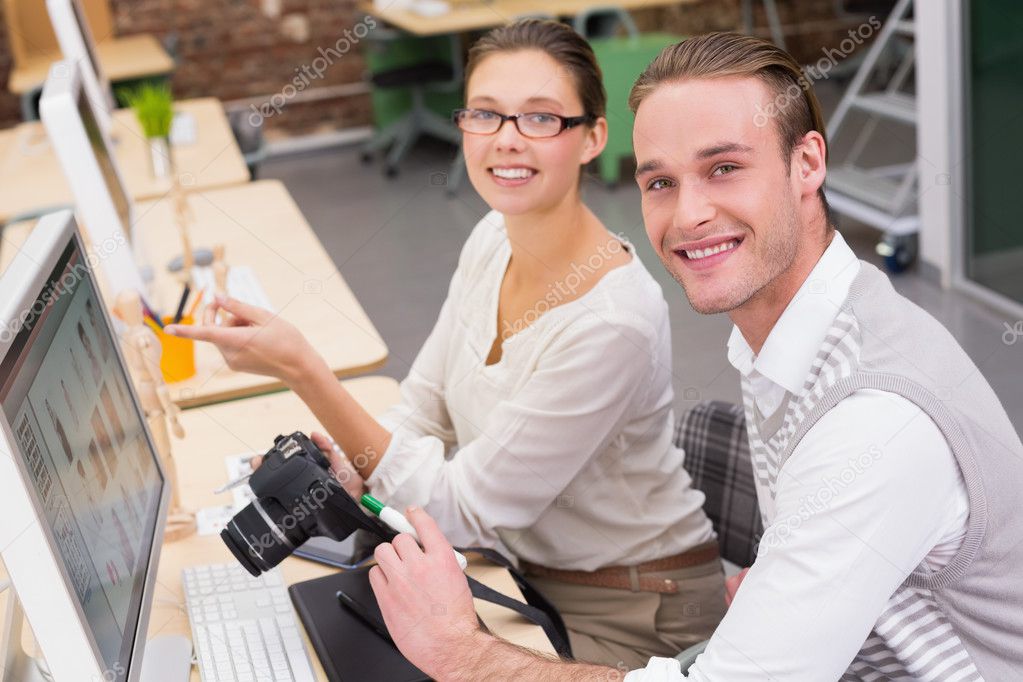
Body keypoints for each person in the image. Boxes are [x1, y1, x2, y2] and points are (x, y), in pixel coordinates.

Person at [362, 32, 1023, 680]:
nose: (689, 214)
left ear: (807, 163)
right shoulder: (800, 333)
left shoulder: (873, 423)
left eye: (724, 168)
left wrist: (463, 656)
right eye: (659, 183)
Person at [166, 20, 726, 667]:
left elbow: (462, 512)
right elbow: (423, 408)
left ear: (592, 137)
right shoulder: (493, 235)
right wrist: (357, 465)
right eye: (485, 114)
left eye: (540, 118)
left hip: (631, 607)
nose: (506, 140)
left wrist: (304, 371)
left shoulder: (610, 322)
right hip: (516, 568)